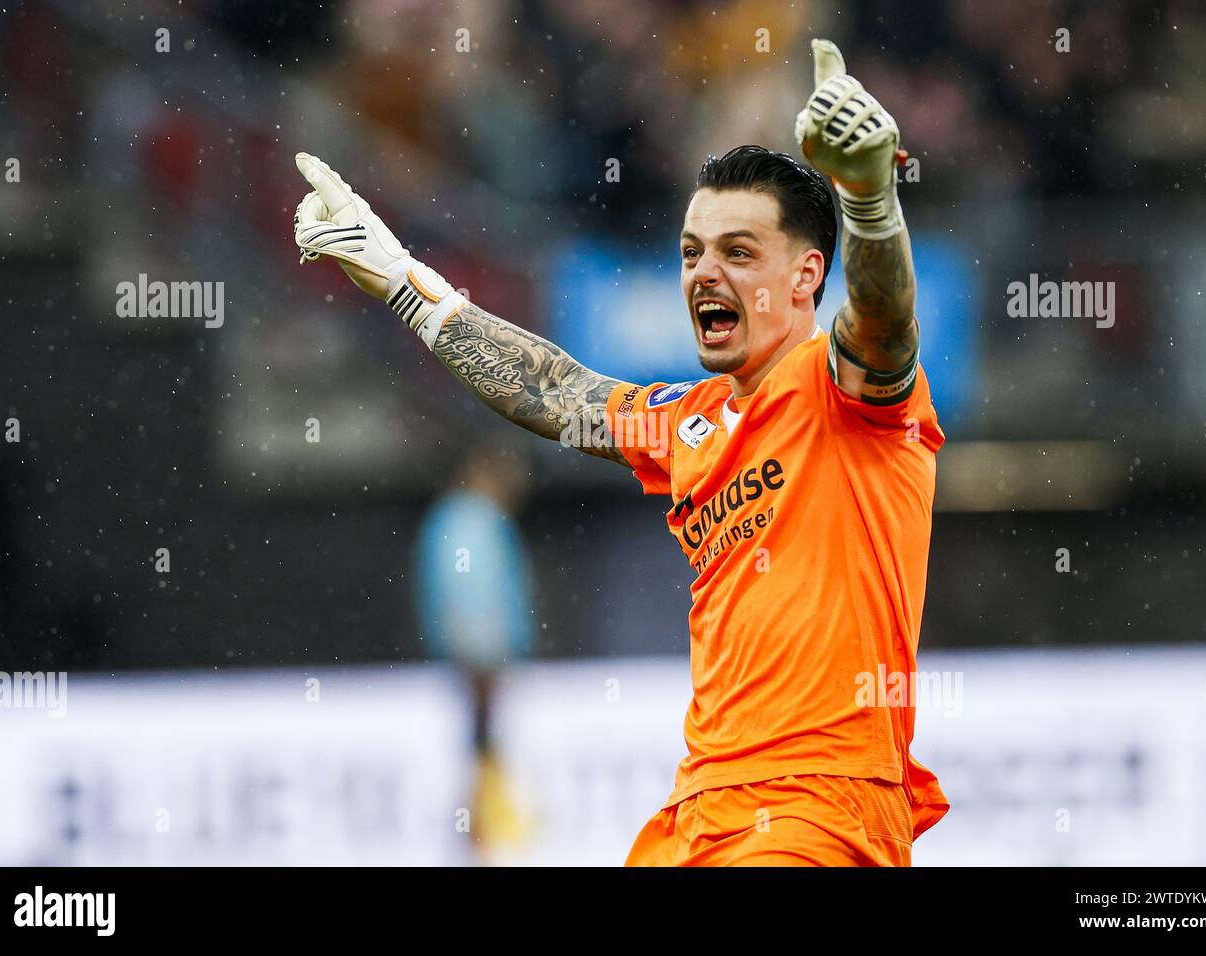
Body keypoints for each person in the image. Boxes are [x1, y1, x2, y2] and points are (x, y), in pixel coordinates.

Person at [291, 39, 947, 866]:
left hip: (816, 810)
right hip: (701, 810)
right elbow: (557, 393)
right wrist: (400, 280)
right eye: (691, 252)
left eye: (739, 253)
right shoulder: (688, 423)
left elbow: (886, 321)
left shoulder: (848, 394)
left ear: (807, 276)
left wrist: (871, 200)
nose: (705, 273)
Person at [413, 444, 534, 863]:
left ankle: (481, 830)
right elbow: (469, 591)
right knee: (481, 741)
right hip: (480, 657)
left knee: (482, 742)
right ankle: (479, 834)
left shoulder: (459, 518)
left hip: (477, 654)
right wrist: (484, 652)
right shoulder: (472, 521)